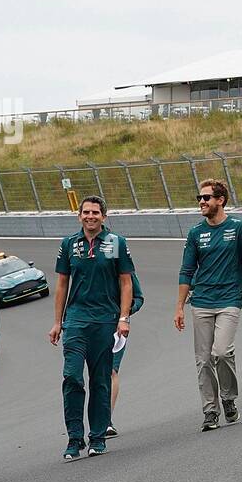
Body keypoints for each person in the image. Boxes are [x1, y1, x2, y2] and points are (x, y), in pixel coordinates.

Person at [49, 196, 134, 459]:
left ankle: (97, 437)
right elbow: (62, 284)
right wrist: (57, 322)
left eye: (95, 213)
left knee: (100, 380)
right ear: (79, 216)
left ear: (104, 217)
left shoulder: (116, 243)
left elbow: (126, 283)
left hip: (105, 320)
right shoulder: (68, 244)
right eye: (86, 212)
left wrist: (123, 318)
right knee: (72, 376)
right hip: (75, 321)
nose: (90, 216)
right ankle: (75, 438)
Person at [175, 179, 242, 432]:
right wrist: (179, 306)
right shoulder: (195, 233)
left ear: (220, 200)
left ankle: (228, 398)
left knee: (221, 352)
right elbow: (187, 270)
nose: (201, 202)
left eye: (206, 198)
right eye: (199, 198)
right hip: (200, 302)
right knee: (203, 359)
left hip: (229, 300)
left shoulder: (238, 228)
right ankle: (210, 411)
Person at [106, 267, 143, 438]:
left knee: (111, 371)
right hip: (89, 323)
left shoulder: (121, 262)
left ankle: (106, 420)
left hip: (116, 327)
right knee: (95, 373)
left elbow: (139, 298)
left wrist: (124, 313)